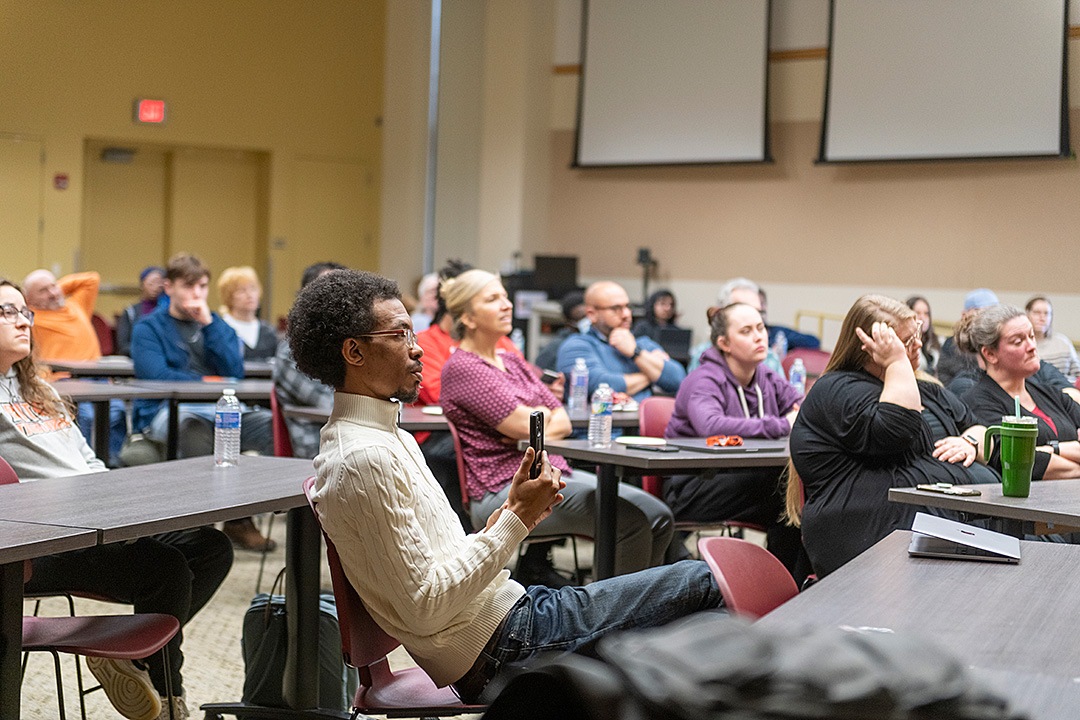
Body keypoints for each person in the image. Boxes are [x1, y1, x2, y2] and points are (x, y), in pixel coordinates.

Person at [289, 268, 722, 703]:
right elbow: (423, 607)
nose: (419, 349)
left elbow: (443, 559)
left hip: (513, 614)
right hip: (502, 646)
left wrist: (512, 509)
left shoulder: (390, 436)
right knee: (705, 583)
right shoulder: (362, 457)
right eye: (401, 335)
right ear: (354, 352)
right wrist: (516, 518)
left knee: (699, 587)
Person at [0, 278, 232, 720]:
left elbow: (88, 462)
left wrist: (117, 503)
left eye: (22, 311)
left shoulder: (39, 389)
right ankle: (166, 698)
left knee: (209, 546)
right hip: (40, 540)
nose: (21, 321)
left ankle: (136, 658)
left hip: (93, 517)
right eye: (4, 312)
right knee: (164, 568)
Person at [440, 270, 674, 584]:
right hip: (506, 488)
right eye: (493, 299)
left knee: (659, 516)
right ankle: (611, 622)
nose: (507, 305)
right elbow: (527, 426)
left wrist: (540, 418)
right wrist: (540, 417)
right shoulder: (463, 367)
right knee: (628, 521)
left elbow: (558, 417)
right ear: (467, 317)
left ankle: (642, 615)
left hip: (555, 474)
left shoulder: (510, 360)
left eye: (505, 297)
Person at [786, 295, 996, 578]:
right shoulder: (836, 389)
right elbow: (896, 430)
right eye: (907, 341)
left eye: (918, 336)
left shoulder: (928, 390)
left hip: (934, 520)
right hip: (869, 535)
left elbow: (981, 428)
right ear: (870, 348)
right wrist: (897, 361)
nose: (918, 346)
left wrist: (969, 442)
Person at [131, 252, 274, 551]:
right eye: (188, 286)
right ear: (169, 287)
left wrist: (208, 324)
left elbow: (234, 370)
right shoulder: (148, 327)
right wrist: (210, 382)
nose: (196, 294)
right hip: (169, 411)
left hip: (220, 408)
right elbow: (157, 376)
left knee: (271, 426)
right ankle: (199, 529)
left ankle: (240, 518)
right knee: (193, 430)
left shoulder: (215, 324)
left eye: (203, 287)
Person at [664, 302, 805, 576]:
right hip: (694, 487)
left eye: (761, 328)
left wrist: (796, 415)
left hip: (747, 480)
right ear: (724, 343)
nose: (758, 336)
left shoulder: (765, 376)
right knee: (788, 491)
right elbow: (711, 425)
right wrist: (780, 424)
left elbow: (803, 407)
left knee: (798, 494)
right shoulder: (703, 379)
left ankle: (786, 584)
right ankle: (781, 583)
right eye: (746, 331)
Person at [413, 259, 520, 531]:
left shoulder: (500, 340)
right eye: (490, 298)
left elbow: (526, 389)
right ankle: (459, 540)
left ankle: (537, 560)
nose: (504, 306)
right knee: (451, 455)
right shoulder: (426, 341)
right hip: (439, 435)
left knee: (550, 458)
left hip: (499, 430)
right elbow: (439, 392)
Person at [958, 304, 1080, 479]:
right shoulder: (977, 402)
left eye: (1031, 336)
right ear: (990, 354)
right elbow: (1022, 462)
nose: (1031, 346)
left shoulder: (1050, 393)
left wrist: (1052, 449)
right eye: (1018, 341)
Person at [22, 268, 128, 465]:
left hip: (98, 377)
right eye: (43, 291)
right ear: (29, 299)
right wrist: (31, 300)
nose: (52, 293)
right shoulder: (31, 318)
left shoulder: (77, 305)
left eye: (53, 286)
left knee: (117, 413)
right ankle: (81, 464)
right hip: (64, 379)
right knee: (85, 416)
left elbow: (91, 279)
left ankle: (113, 463)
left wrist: (56, 290)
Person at [556, 280, 685, 403]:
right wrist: (652, 373)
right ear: (592, 314)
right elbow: (602, 387)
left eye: (627, 307)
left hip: (642, 423)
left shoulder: (642, 344)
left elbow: (679, 380)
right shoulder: (576, 346)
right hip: (601, 423)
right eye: (616, 308)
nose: (626, 314)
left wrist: (635, 352)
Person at [272, 261, 346, 459]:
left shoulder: (352, 343)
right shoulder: (291, 350)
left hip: (354, 440)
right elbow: (330, 405)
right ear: (307, 298)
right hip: (320, 446)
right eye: (328, 290)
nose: (337, 299)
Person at [937, 288, 998, 390]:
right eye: (983, 312)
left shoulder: (996, 342)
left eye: (994, 313)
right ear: (964, 314)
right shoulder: (953, 346)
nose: (990, 318)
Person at [217, 266, 278, 360]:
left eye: (253, 289)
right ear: (228, 296)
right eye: (241, 290)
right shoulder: (220, 329)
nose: (249, 295)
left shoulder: (269, 331)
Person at [1026, 295, 1080, 383]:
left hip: (1065, 391)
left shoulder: (1063, 343)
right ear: (1027, 315)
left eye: (1046, 313)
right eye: (1037, 312)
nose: (1042, 318)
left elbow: (1078, 377)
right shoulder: (1022, 345)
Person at [116, 266, 165, 356]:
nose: (155, 287)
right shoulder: (130, 312)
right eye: (151, 283)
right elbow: (123, 345)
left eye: (159, 284)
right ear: (142, 284)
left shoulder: (167, 311)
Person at [533, 289, 586, 372]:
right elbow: (539, 372)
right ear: (569, 322)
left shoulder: (600, 340)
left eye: (588, 316)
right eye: (581, 317)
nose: (587, 321)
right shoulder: (557, 346)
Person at [905, 295, 942, 376]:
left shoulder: (937, 341)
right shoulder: (905, 342)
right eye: (918, 313)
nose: (922, 318)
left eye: (926, 314)